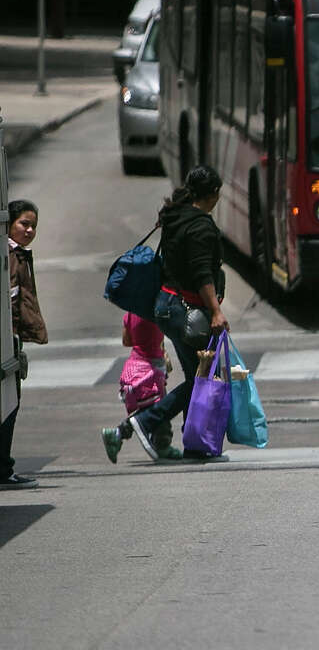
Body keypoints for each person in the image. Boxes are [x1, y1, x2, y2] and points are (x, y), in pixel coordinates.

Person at [103, 166, 230, 461]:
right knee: (204, 376)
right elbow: (202, 272)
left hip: (167, 304)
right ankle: (142, 422)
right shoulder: (199, 225)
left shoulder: (175, 216)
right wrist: (216, 311)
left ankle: (195, 443)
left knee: (197, 375)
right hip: (184, 309)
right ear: (212, 194)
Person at [2, 200, 46, 489]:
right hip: (7, 341)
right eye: (24, 224)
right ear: (10, 223)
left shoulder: (17, 254)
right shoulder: (9, 256)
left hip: (12, 339)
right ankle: (3, 470)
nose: (29, 230)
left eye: (33, 226)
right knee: (9, 405)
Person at [101, 313, 183, 462]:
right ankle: (121, 434)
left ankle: (157, 444)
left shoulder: (130, 313)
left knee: (150, 409)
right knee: (159, 409)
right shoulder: (154, 311)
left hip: (134, 365)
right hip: (151, 369)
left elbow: (127, 341)